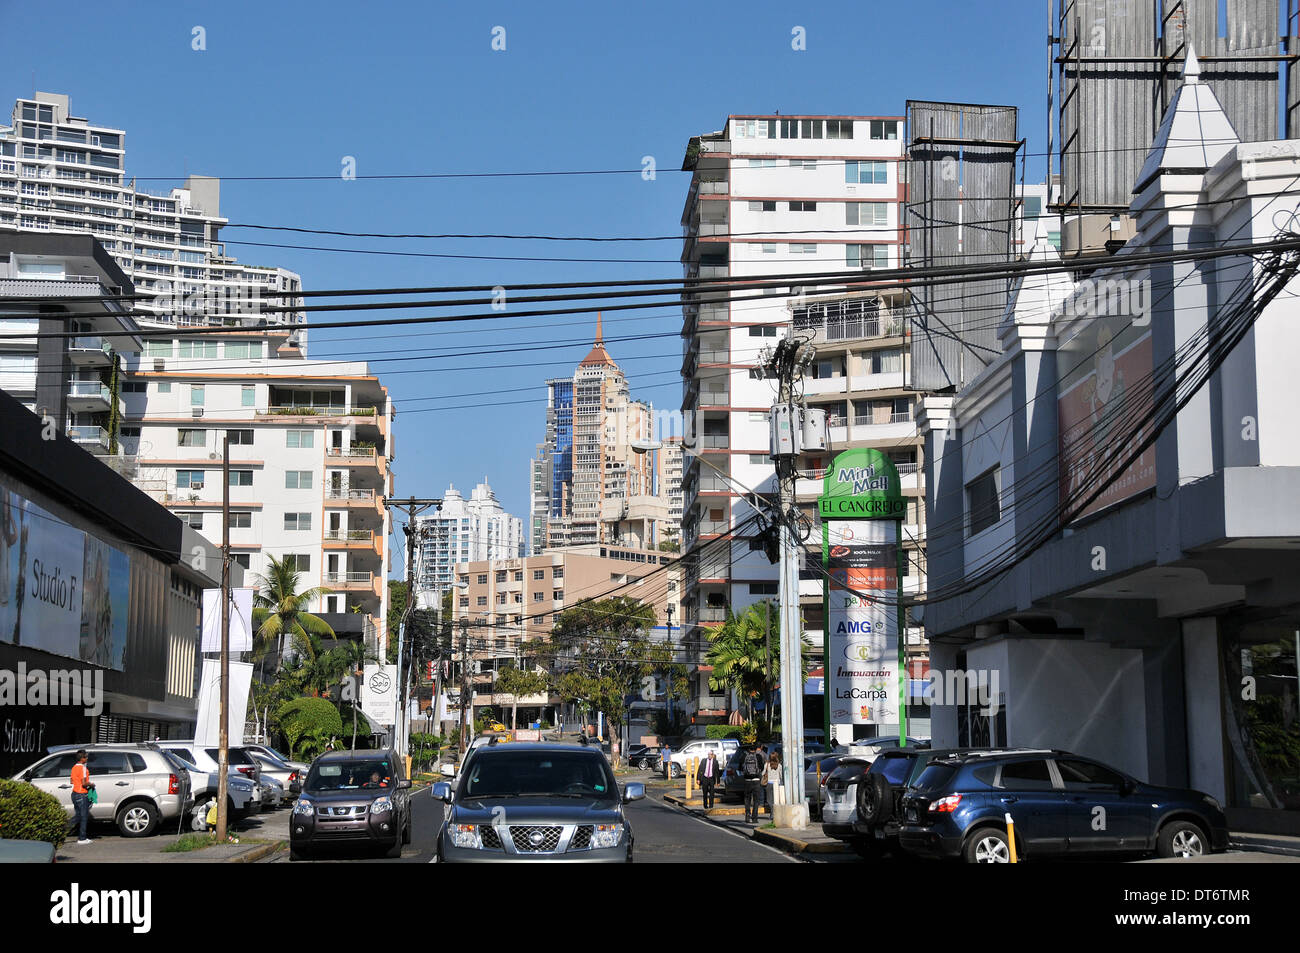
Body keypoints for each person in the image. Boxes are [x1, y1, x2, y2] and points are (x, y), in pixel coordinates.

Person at [70, 749, 93, 845]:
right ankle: (82, 838)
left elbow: (71, 781)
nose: (87, 758)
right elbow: (84, 783)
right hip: (81, 794)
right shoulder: (83, 768)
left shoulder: (74, 767)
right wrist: (91, 784)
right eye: (86, 757)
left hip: (74, 794)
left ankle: (63, 828)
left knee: (78, 815)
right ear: (82, 758)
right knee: (83, 817)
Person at [741, 742, 765, 823]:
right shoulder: (758, 756)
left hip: (747, 781)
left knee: (747, 798)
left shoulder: (744, 756)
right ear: (755, 750)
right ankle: (755, 817)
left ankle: (747, 815)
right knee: (756, 800)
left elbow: (740, 767)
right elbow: (761, 767)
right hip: (756, 781)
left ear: (748, 750)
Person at [762, 750, 783, 816]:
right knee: (776, 799)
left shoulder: (767, 764)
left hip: (769, 783)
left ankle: (772, 810)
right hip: (777, 783)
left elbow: (763, 773)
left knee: (769, 799)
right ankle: (775, 812)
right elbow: (781, 775)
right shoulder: (779, 765)